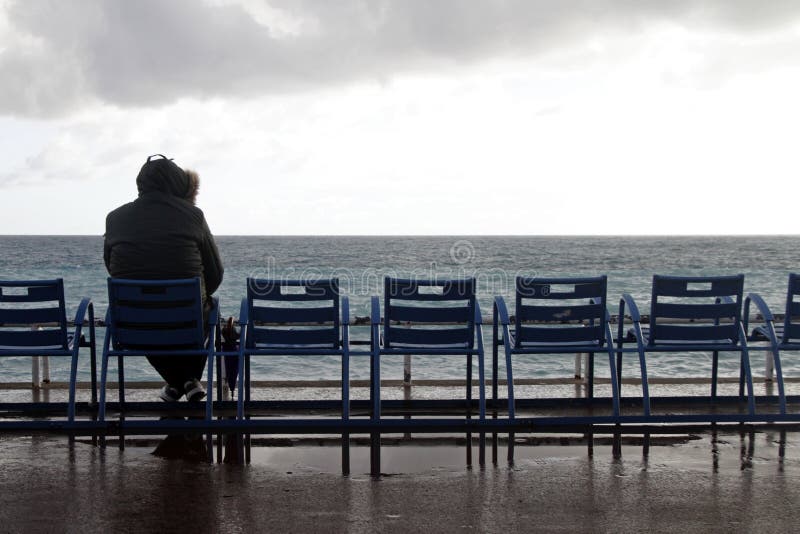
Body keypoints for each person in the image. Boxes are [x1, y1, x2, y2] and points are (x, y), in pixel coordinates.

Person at [104, 154, 224, 402]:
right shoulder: (193, 216)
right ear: (177, 184)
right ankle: (189, 380)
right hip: (186, 318)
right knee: (206, 311)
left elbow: (112, 268)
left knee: (145, 315)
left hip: (132, 321)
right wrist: (195, 294)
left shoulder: (114, 218)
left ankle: (176, 383)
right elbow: (215, 273)